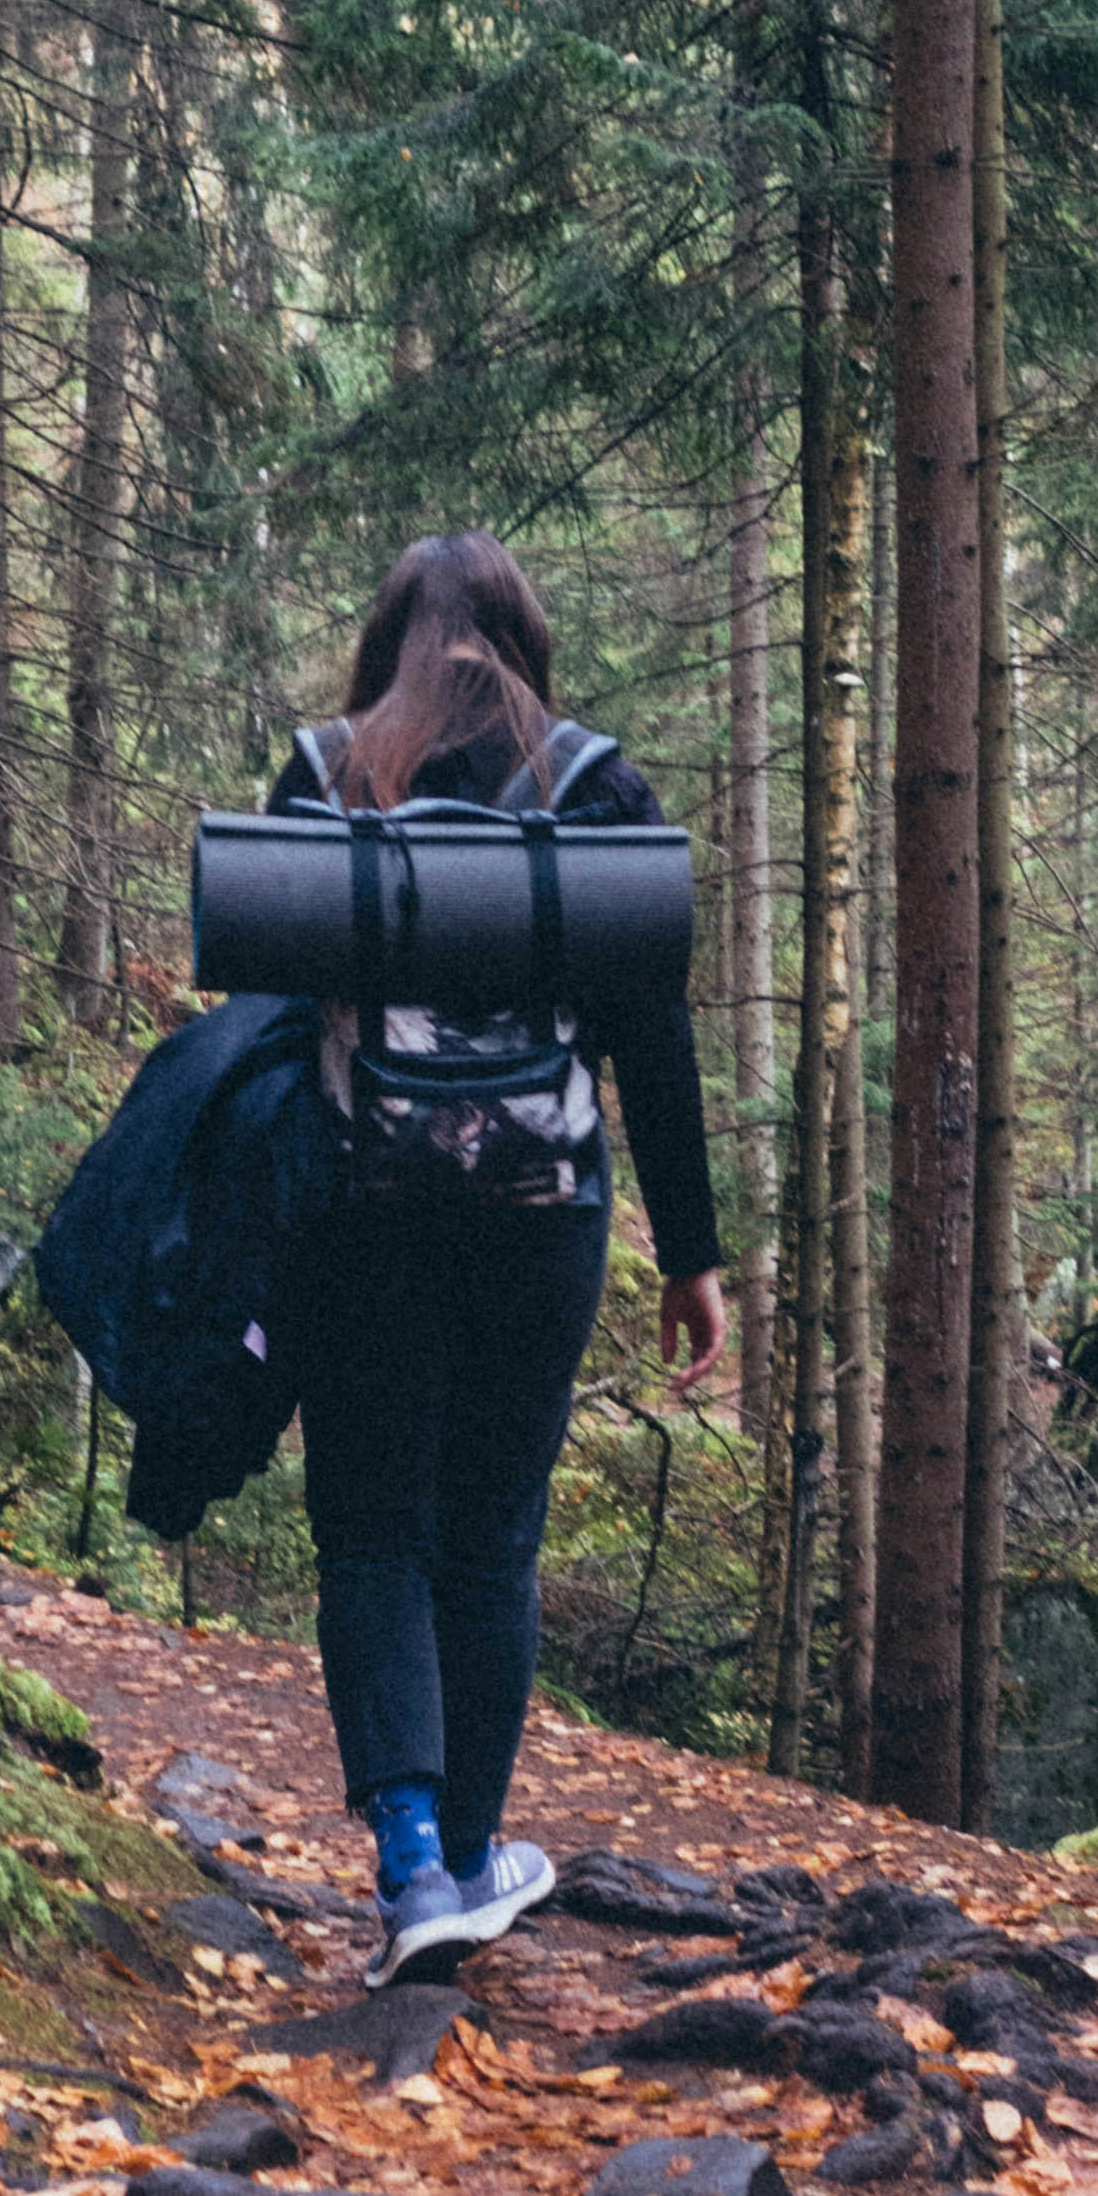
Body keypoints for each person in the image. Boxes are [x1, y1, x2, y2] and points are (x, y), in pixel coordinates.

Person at [267, 532, 726, 1976]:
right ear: (525, 641)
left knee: (371, 1531)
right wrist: (693, 1256)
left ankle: (412, 1867)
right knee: (492, 1538)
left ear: (386, 641)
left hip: (361, 1215)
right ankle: (471, 1857)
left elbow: (272, 1026)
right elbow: (653, 1034)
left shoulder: (327, 774)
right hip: (544, 1221)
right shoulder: (595, 786)